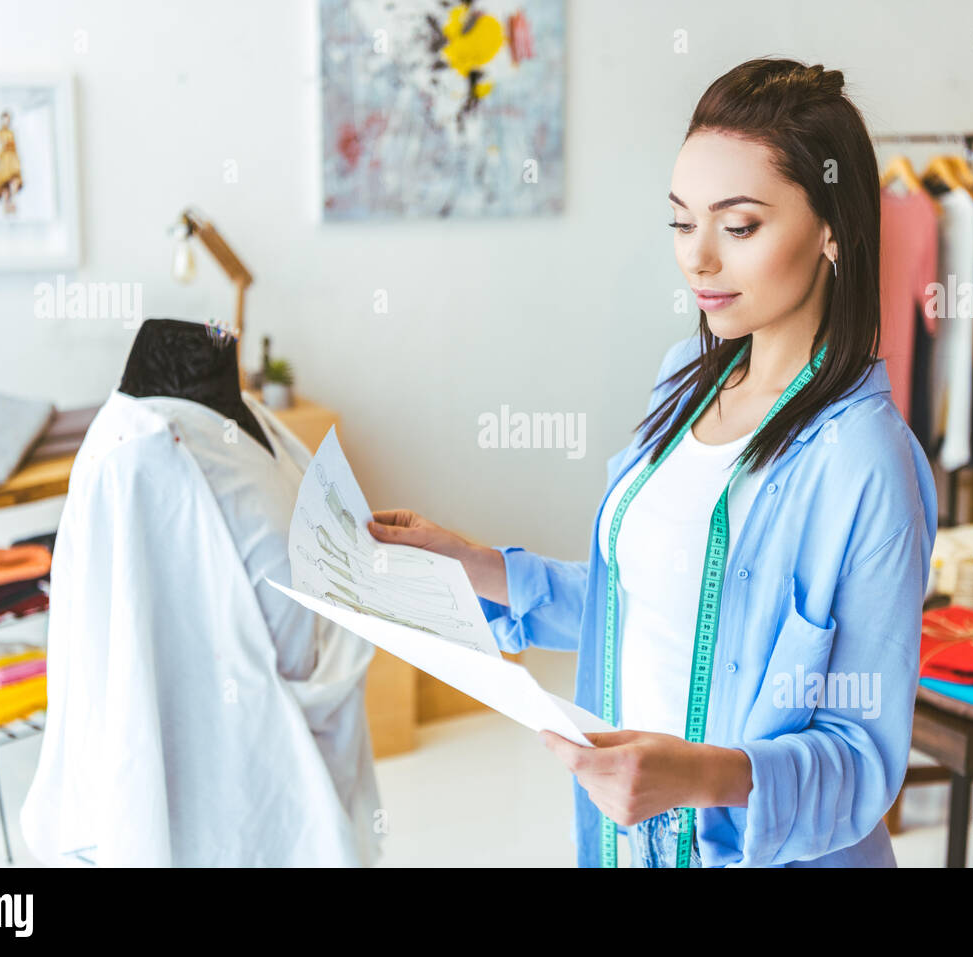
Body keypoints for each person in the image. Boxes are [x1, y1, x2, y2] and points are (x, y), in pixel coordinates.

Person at [368, 57, 935, 868]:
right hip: (632, 846)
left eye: (738, 227)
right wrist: (477, 565)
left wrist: (702, 775)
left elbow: (864, 765)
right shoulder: (684, 379)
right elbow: (638, 603)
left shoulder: (866, 463)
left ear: (833, 228)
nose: (697, 258)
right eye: (680, 221)